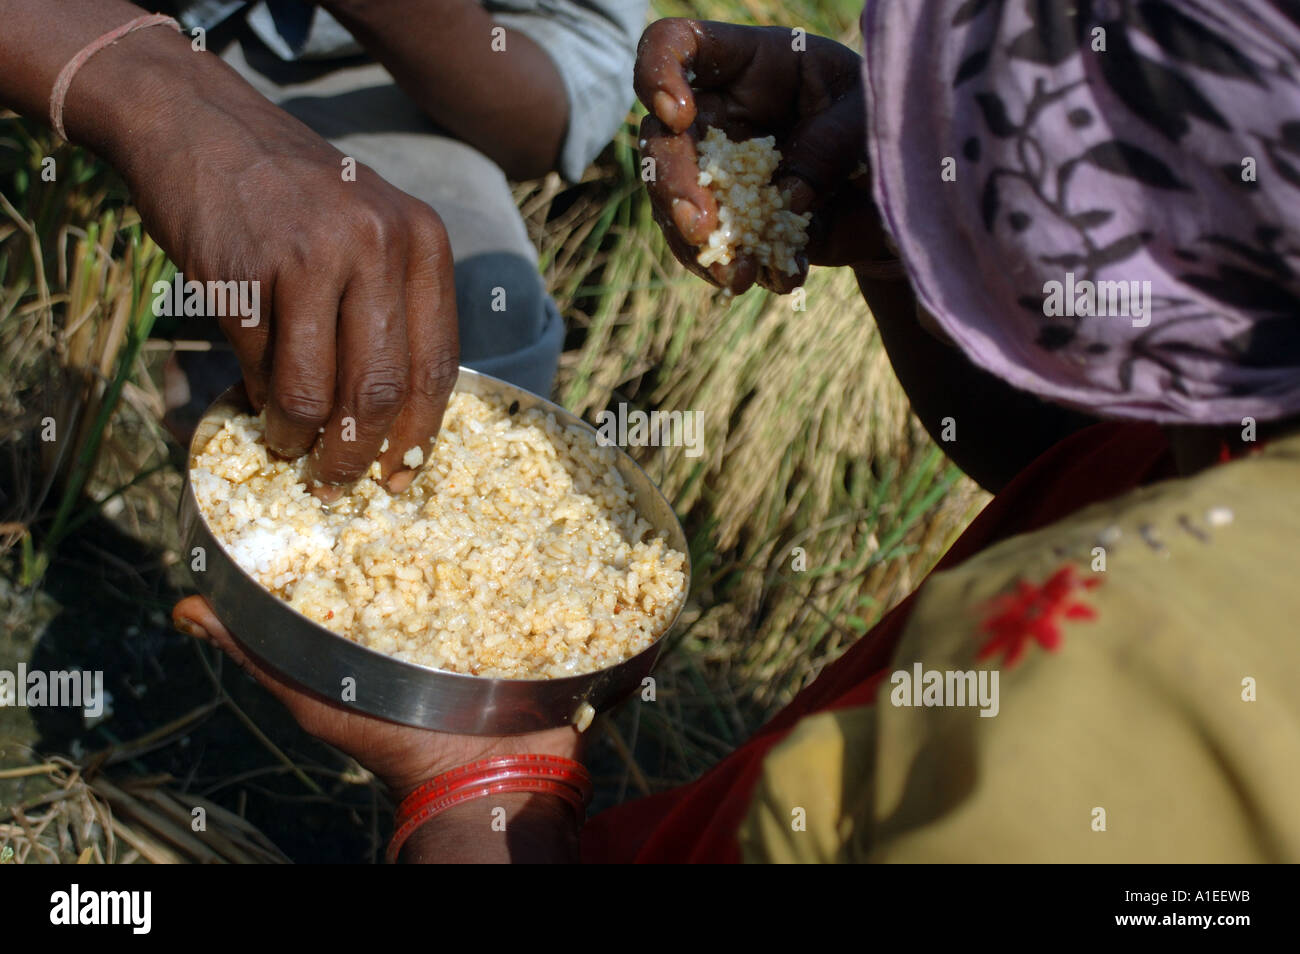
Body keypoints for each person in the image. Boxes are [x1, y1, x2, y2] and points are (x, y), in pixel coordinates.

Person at [177, 0, 1300, 862]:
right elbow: (1093, 474)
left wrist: (475, 786)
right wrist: (890, 242)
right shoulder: (1242, 451)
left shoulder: (1108, 722)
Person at [0, 0, 643, 497]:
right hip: (84, 22)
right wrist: (170, 101)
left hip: (383, 73)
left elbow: (556, 101)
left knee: (476, 303)